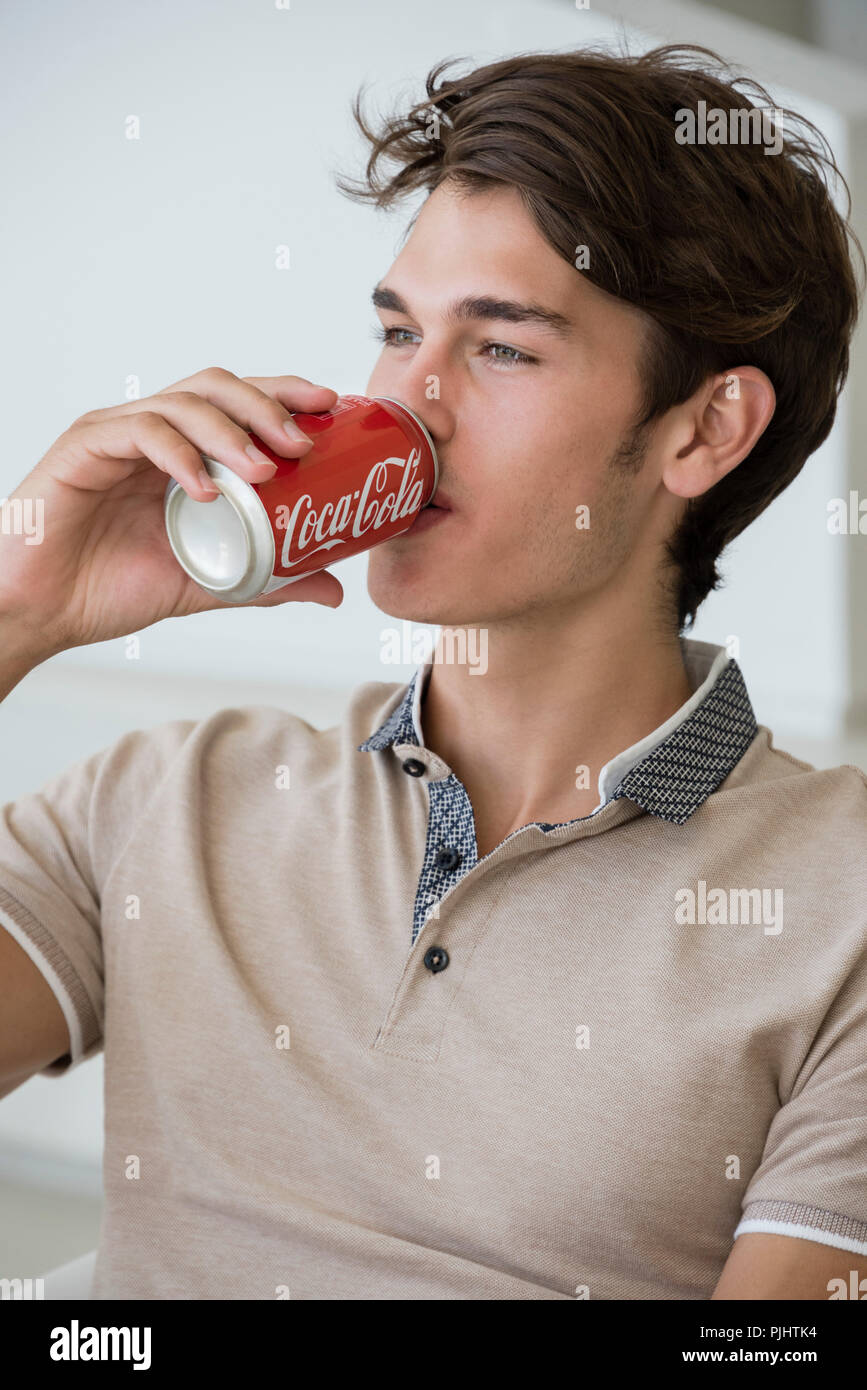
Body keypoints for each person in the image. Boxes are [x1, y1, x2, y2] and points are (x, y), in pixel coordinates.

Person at [1, 43, 865, 1301]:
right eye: (399, 331)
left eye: (501, 348)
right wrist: (17, 611)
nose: (411, 403)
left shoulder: (838, 900)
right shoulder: (170, 797)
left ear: (701, 429)